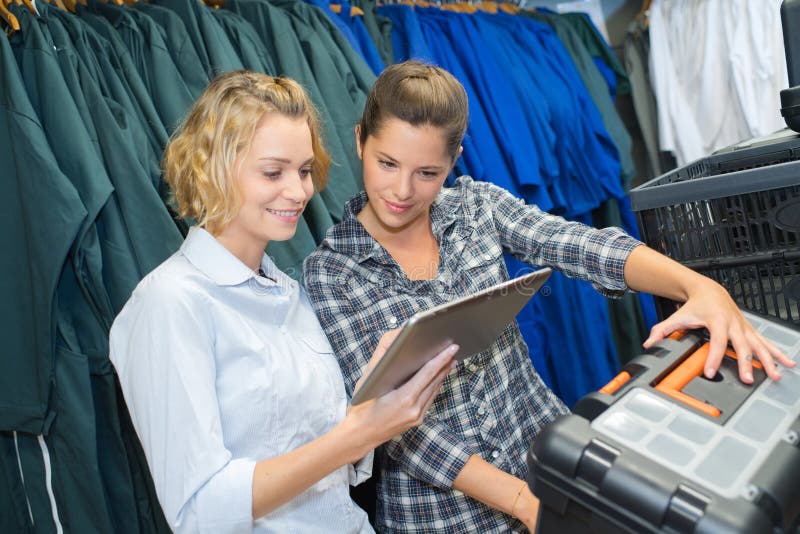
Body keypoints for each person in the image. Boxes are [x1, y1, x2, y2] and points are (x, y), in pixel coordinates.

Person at [302, 60, 796, 533]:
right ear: (360, 140)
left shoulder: (477, 208)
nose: (402, 190)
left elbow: (577, 244)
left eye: (427, 173)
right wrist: (521, 499)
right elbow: (397, 428)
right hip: (443, 515)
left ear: (453, 161)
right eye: (387, 163)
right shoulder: (332, 273)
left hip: (544, 457)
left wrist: (699, 286)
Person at [108, 70, 459, 533]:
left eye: (304, 170)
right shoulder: (170, 303)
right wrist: (358, 432)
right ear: (214, 168)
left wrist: (371, 397)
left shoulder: (292, 296)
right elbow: (199, 511)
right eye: (273, 172)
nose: (299, 192)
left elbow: (322, 457)